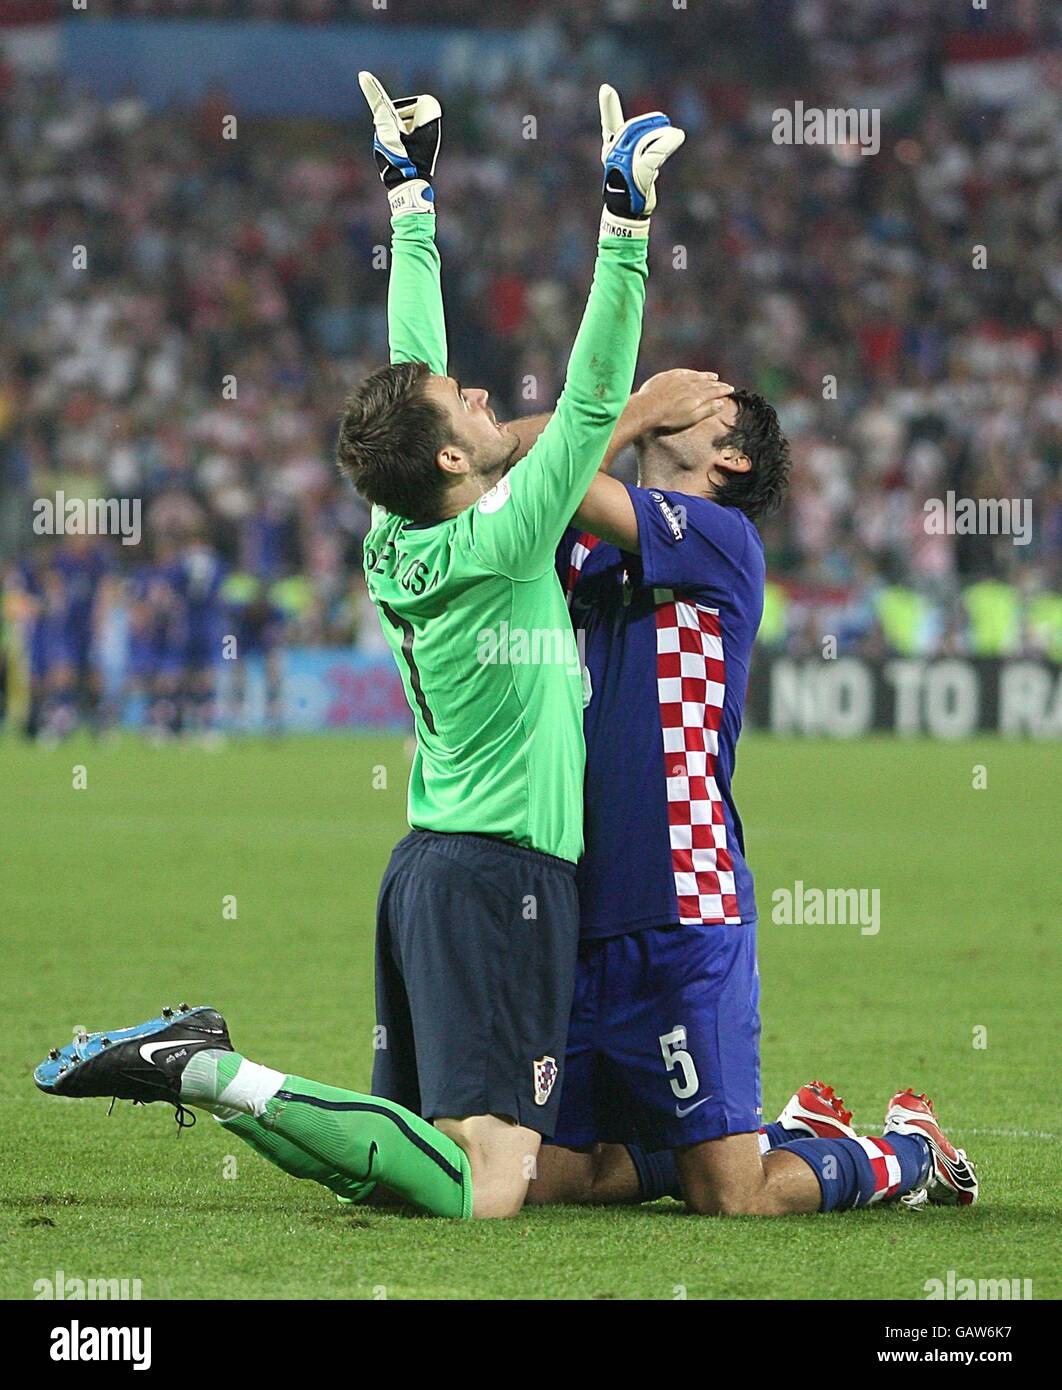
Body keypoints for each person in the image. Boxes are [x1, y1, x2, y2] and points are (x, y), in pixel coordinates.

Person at [33, 75, 719, 1221]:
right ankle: (204, 1067)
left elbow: (414, 371)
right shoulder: (502, 540)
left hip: (429, 871)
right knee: (489, 1186)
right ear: (455, 461)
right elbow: (595, 401)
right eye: (467, 401)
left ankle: (206, 1064)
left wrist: (409, 197)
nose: (480, 390)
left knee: (422, 1169)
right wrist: (625, 224)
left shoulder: (398, 528)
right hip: (501, 876)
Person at [512, 382, 979, 1213]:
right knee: (545, 1180)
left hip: (684, 906)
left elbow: (550, 470)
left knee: (734, 1200)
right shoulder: (581, 548)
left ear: (732, 458)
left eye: (705, 403)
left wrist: (635, 408)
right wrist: (629, 407)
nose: (680, 394)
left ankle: (905, 1152)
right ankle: (780, 1135)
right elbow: (498, 463)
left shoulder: (722, 540)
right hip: (577, 910)